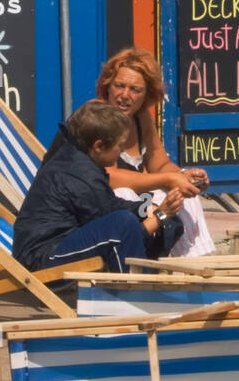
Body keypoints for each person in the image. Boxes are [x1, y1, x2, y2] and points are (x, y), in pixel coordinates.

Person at [12, 99, 184, 272]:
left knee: (169, 223)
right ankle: (136, 291)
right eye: (119, 146)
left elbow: (110, 205)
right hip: (42, 258)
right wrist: (159, 216)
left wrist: (147, 208)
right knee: (124, 224)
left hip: (59, 245)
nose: (121, 151)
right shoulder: (79, 173)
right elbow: (116, 226)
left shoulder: (80, 159)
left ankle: (147, 278)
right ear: (99, 146)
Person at [96, 47, 217, 258]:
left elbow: (160, 165)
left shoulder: (140, 117)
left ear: (147, 95)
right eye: (119, 86)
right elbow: (110, 178)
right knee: (124, 193)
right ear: (107, 87)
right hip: (95, 206)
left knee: (182, 193)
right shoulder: (98, 117)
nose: (125, 95)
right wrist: (169, 179)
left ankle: (196, 266)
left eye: (135, 90)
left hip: (131, 205)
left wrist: (184, 176)